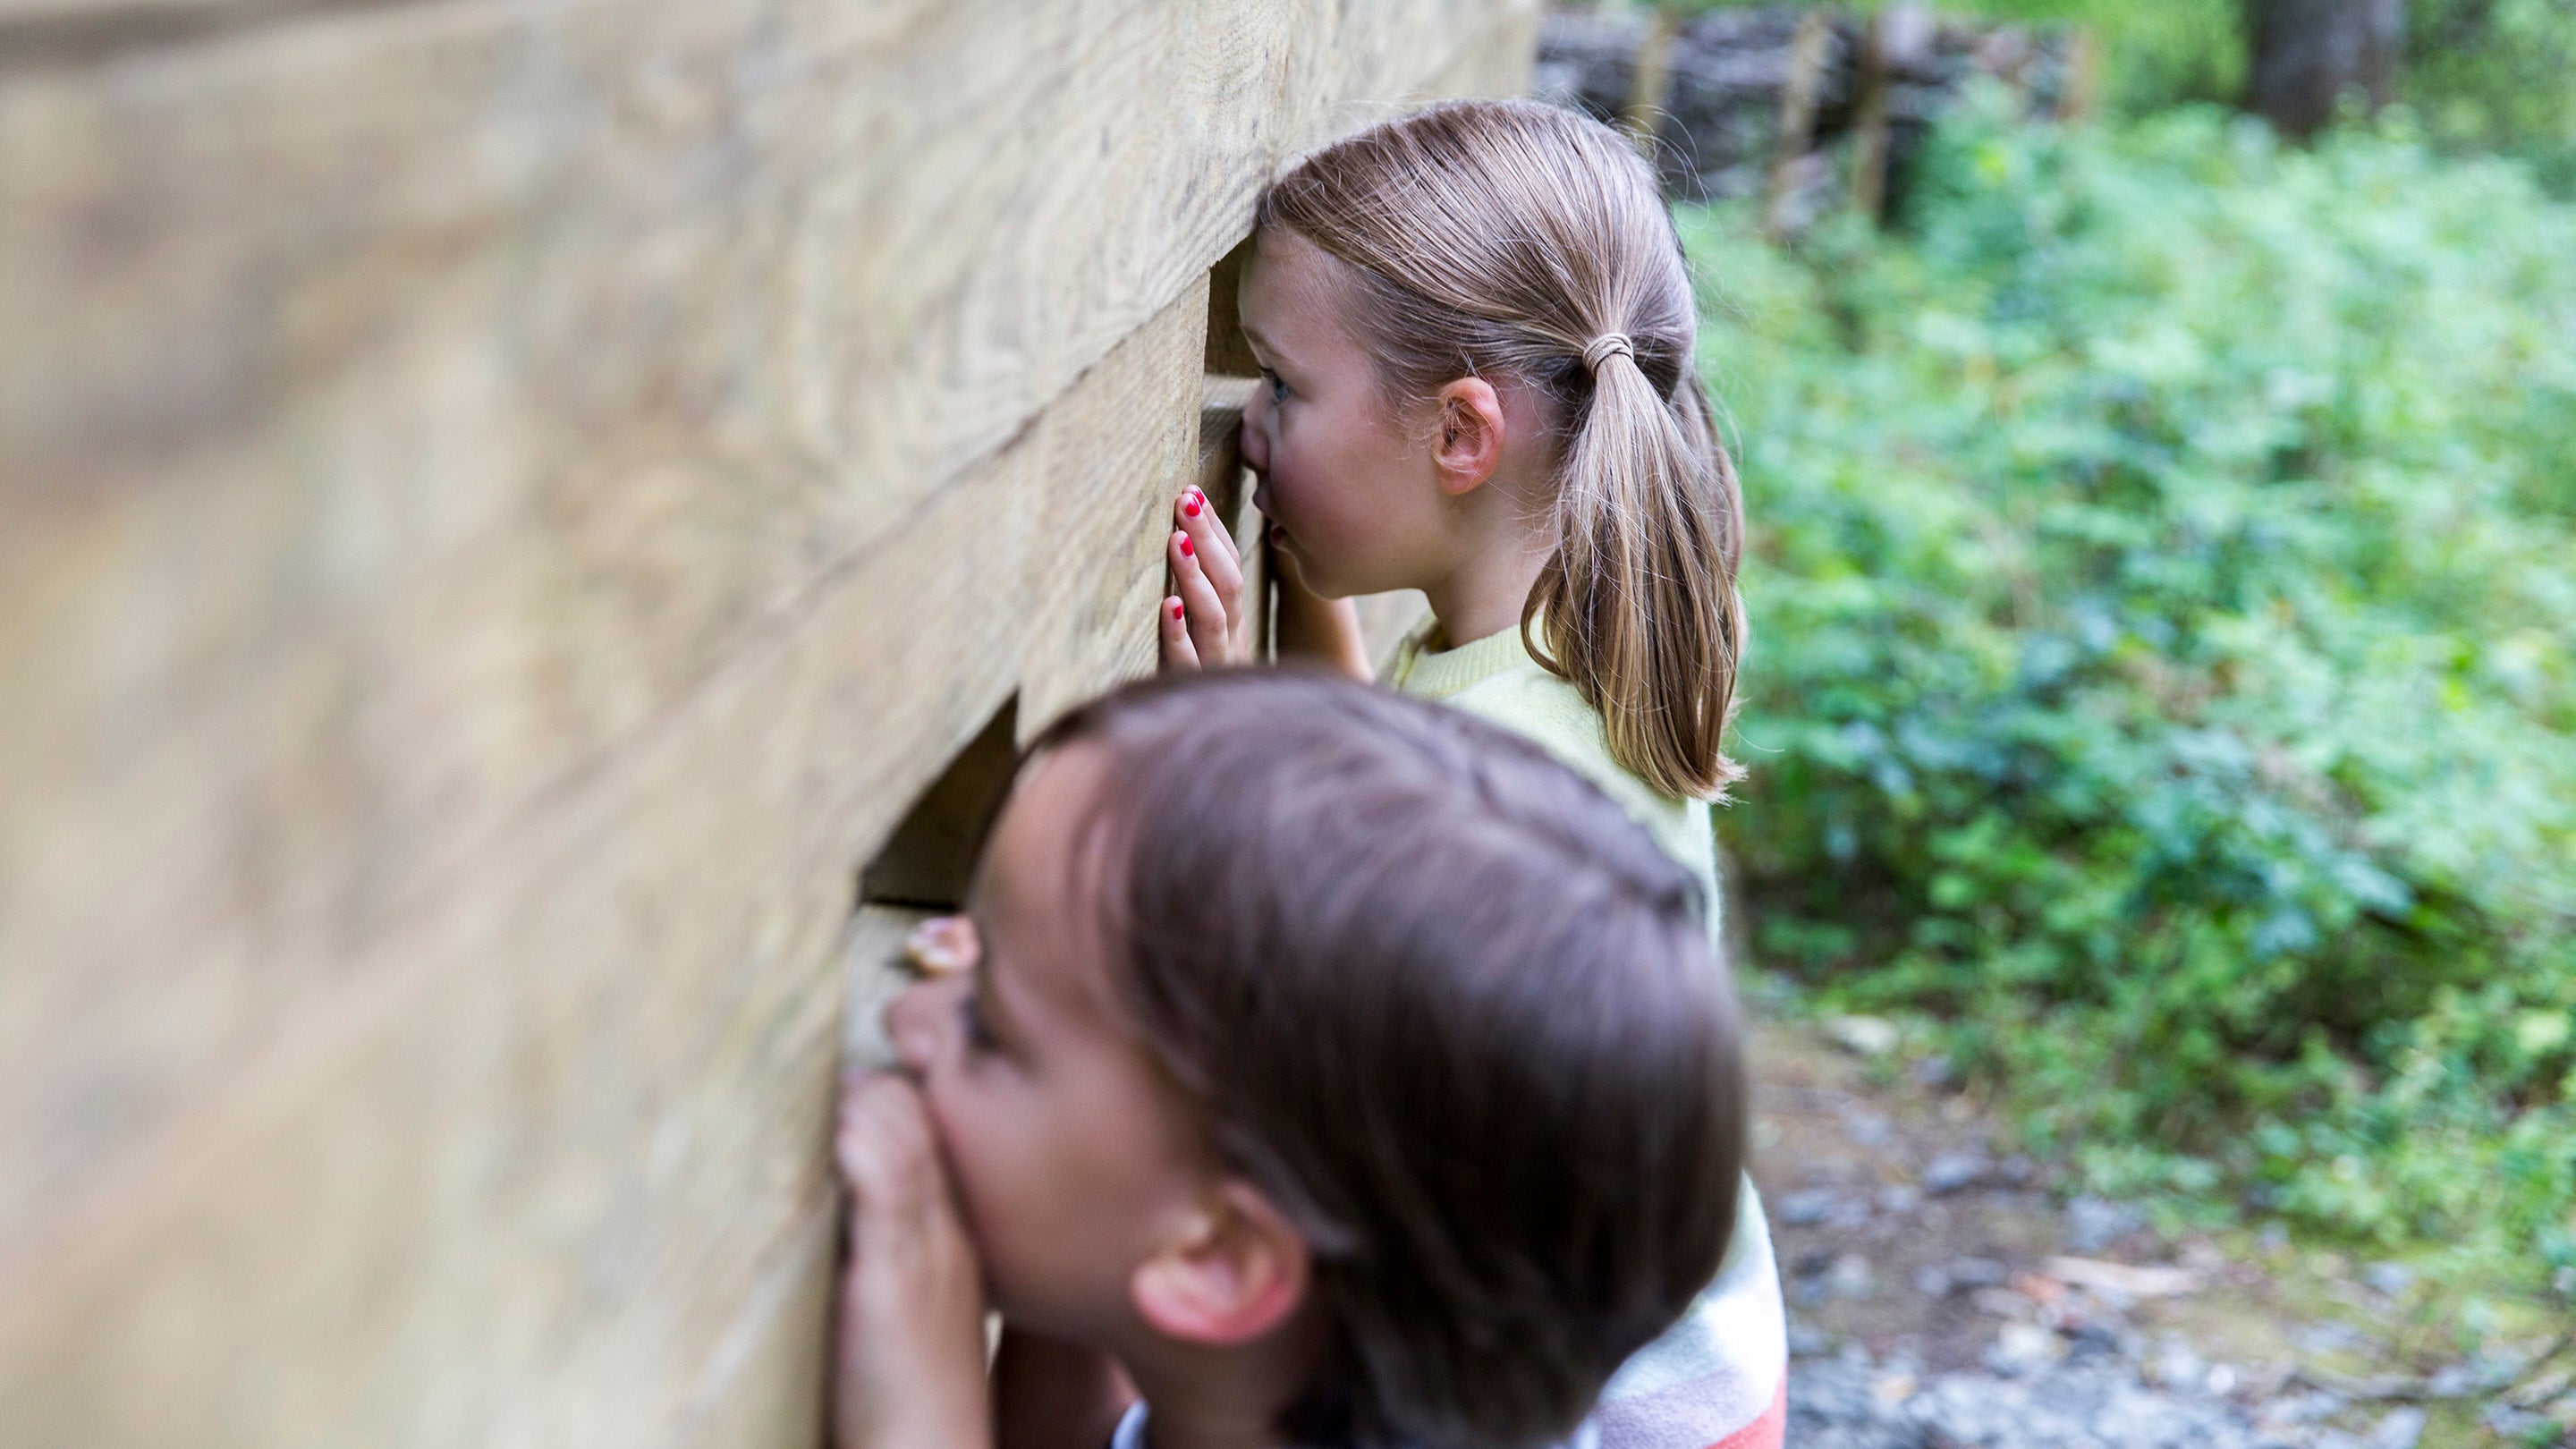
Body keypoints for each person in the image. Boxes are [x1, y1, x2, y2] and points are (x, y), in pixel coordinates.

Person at [1156, 99, 1785, 1447]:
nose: (1253, 435)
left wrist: (1208, 753)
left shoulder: (1510, 774)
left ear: (1460, 434)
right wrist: (1311, 621)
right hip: (1697, 1342)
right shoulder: (1568, 634)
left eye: (1284, 386)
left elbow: (1323, 1007)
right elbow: (1394, 822)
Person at [832, 671, 1746, 1449]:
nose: (912, 1018)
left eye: (987, 1031)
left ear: (1219, 1255)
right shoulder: (1265, 1395)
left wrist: (918, 1420)